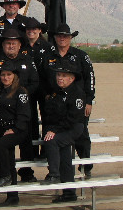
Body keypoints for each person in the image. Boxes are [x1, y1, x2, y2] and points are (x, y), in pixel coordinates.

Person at [41, 23, 101, 178]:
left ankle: (85, 163)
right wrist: (46, 95)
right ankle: (58, 170)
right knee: (53, 134)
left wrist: (89, 100)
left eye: (65, 36)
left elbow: (90, 78)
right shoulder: (48, 56)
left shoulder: (81, 55)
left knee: (81, 133)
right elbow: (41, 78)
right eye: (59, 36)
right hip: (55, 103)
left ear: (70, 38)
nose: (62, 38)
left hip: (76, 103)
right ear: (54, 37)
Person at [0, 28, 40, 182]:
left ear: (20, 45)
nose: (11, 46)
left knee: (26, 146)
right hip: (0, 111)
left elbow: (35, 82)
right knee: (1, 149)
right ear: (2, 45)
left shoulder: (27, 60)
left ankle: (27, 173)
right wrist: (4, 94)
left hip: (23, 110)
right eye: (7, 43)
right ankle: (3, 177)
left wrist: (19, 95)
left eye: (14, 43)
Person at [38, 62, 87, 204]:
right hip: (61, 129)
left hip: (73, 128)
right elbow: (51, 114)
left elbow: (73, 118)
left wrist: (54, 130)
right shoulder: (56, 93)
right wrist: (51, 129)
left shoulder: (77, 94)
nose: (60, 78)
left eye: (64, 76)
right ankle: (69, 193)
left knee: (51, 140)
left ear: (71, 79)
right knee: (65, 158)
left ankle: (54, 174)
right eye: (59, 75)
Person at [0, 62, 32, 206]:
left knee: (1, 145)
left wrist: (15, 129)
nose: (5, 78)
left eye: (9, 75)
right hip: (2, 131)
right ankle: (12, 197)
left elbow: (25, 115)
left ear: (15, 76)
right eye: (3, 75)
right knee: (9, 159)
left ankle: (4, 176)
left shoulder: (21, 92)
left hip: (18, 130)